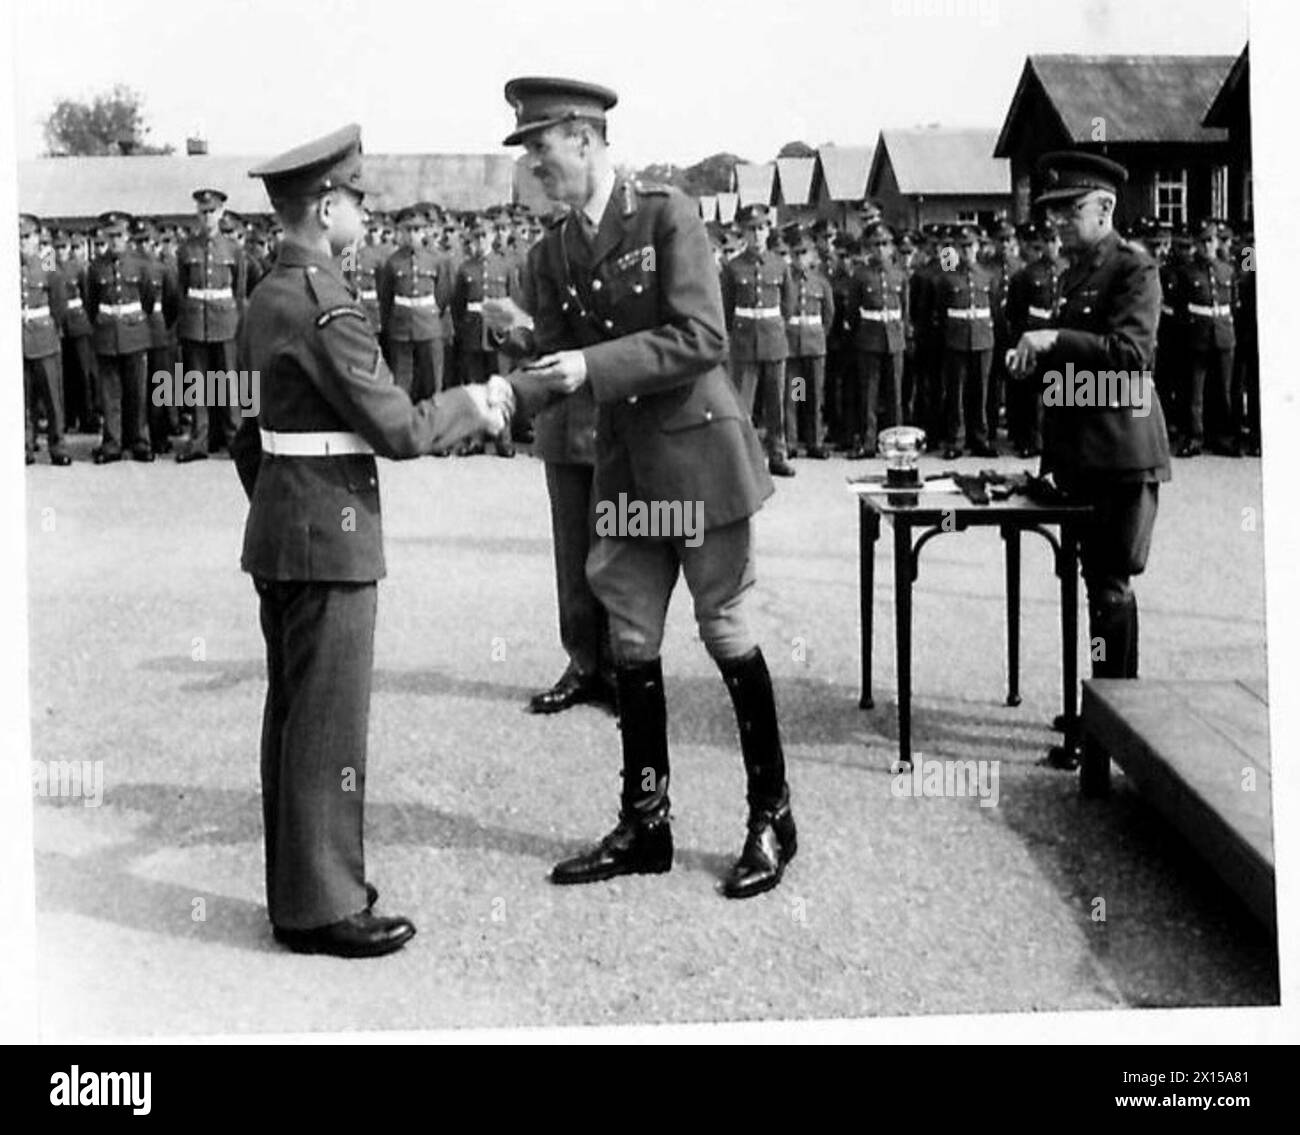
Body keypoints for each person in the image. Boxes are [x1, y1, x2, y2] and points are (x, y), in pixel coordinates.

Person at [487, 77, 796, 898]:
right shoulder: (553, 250)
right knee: (630, 638)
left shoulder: (667, 214)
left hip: (695, 456)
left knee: (727, 628)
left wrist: (591, 364)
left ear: (584, 138)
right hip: (627, 464)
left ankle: (772, 813)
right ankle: (646, 822)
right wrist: (516, 365)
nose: (534, 165)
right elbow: (559, 357)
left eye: (541, 147)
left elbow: (702, 336)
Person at [231, 123, 510, 956]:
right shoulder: (329, 306)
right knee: (327, 722)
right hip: (331, 534)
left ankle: (302, 884)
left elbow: (250, 433)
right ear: (325, 207)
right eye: (356, 198)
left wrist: (280, 504)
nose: (365, 210)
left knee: (292, 712)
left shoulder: (268, 294)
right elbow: (400, 428)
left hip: (284, 524)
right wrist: (480, 399)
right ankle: (321, 905)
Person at [1008, 151, 1170, 768]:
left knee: (1110, 591)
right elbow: (1075, 377)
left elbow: (1131, 363)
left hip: (1122, 456)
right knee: (1094, 585)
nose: (1057, 224)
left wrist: (1054, 341)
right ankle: (1101, 712)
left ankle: (1110, 730)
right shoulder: (1077, 273)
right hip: (1084, 456)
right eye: (1052, 213)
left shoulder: (1134, 268)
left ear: (1105, 209)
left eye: (1069, 211)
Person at [722, 204, 796, 477]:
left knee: (777, 402)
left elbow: (788, 305)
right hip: (743, 342)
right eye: (751, 230)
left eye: (761, 228)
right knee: (742, 403)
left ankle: (778, 455)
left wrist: (775, 327)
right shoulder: (732, 267)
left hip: (774, 340)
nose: (757, 235)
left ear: (768, 230)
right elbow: (726, 307)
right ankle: (743, 459)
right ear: (743, 233)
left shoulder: (779, 265)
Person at [174, 188, 247, 462]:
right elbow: (181, 289)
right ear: (197, 214)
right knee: (198, 384)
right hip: (194, 321)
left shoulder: (234, 250)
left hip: (225, 321)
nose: (207, 217)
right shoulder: (186, 248)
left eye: (212, 212)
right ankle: (199, 441)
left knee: (228, 382)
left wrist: (236, 321)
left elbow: (239, 292)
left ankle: (234, 439)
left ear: (222, 214)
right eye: (203, 212)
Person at [85, 212, 156, 463]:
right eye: (110, 236)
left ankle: (139, 441)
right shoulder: (95, 267)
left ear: (127, 237)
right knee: (109, 394)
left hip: (135, 334)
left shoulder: (141, 264)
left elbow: (147, 299)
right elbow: (91, 303)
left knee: (137, 391)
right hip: (106, 335)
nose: (115, 241)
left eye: (119, 236)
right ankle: (112, 443)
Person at [934, 225, 997, 459]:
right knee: (956, 392)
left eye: (971, 246)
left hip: (982, 338)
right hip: (957, 339)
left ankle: (980, 439)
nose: (967, 251)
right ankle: (955, 440)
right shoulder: (947, 277)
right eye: (963, 247)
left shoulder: (988, 275)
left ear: (978, 247)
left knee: (980, 391)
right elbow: (941, 310)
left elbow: (995, 309)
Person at [846, 221, 908, 458]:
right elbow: (853, 310)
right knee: (869, 393)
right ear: (869, 249)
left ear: (892, 248)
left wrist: (904, 334)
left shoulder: (900, 275)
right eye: (876, 245)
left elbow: (905, 309)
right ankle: (868, 441)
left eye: (885, 244)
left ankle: (896, 441)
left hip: (894, 337)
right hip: (869, 338)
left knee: (895, 393)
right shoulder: (860, 276)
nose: (881, 249)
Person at [20, 214, 71, 465]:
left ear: (38, 238)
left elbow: (59, 301)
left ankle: (58, 446)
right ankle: (25, 447)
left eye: (28, 237)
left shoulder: (47, 261)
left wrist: (53, 329)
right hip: (17, 339)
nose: (22, 243)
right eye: (19, 237)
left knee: (52, 398)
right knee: (22, 398)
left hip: (44, 337)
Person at [782, 230, 834, 459]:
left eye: (804, 253)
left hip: (814, 345)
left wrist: (821, 337)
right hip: (793, 346)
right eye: (795, 254)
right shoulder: (787, 280)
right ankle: (792, 441)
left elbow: (829, 314)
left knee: (814, 395)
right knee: (795, 394)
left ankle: (815, 441)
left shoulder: (821, 282)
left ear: (811, 255)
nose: (799, 258)